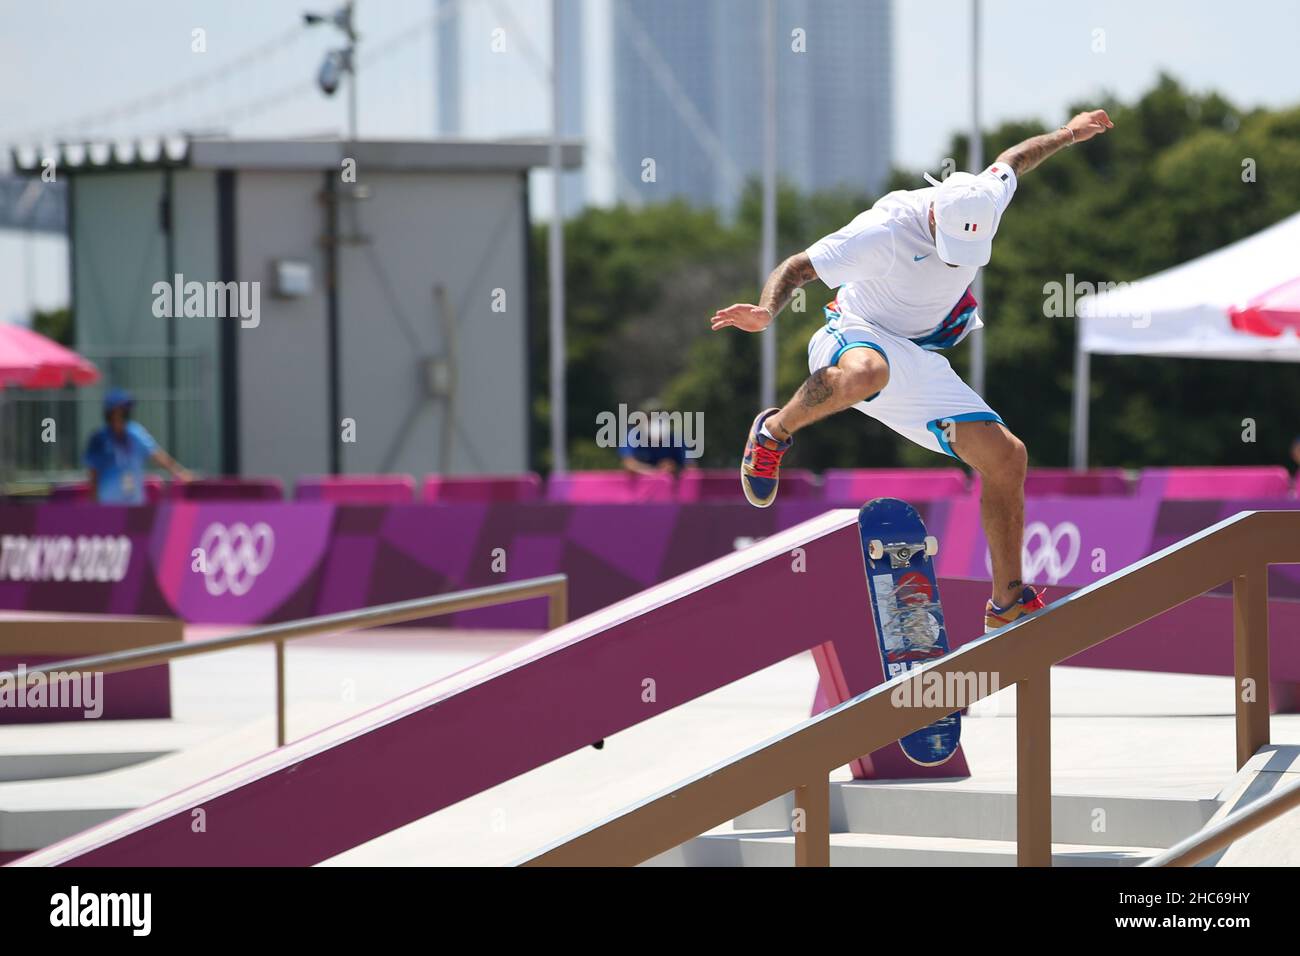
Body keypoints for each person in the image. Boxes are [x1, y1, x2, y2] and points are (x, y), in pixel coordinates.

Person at [712, 110, 1115, 633]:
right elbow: (797, 267)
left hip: (919, 355)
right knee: (865, 373)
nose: (957, 262)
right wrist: (768, 311)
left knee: (1007, 458)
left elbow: (1015, 158)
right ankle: (773, 433)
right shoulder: (882, 231)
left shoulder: (982, 197)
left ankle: (1007, 603)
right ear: (932, 219)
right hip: (855, 330)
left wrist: (1068, 134)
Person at [84, 388, 191, 504]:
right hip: (109, 503)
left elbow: (157, 454)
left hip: (134, 502)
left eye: (126, 409)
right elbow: (93, 472)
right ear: (110, 412)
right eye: (120, 409)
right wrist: (94, 501)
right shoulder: (98, 438)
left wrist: (180, 472)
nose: (124, 413)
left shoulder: (135, 432)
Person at [618, 405, 689, 478]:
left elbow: (689, 466)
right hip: (642, 487)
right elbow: (629, 464)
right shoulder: (633, 436)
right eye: (651, 418)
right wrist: (657, 471)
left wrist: (674, 468)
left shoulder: (675, 439)